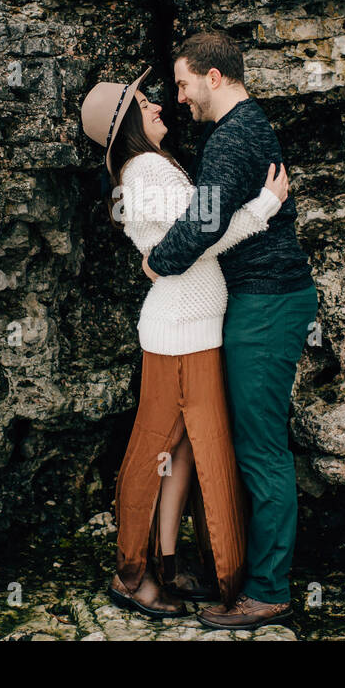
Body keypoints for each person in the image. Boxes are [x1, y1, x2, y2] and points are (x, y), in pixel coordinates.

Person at [80, 66, 290, 618]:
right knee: (157, 454)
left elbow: (188, 234)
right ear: (125, 120)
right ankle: (132, 574)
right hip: (178, 332)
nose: (157, 108)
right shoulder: (146, 168)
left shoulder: (150, 166)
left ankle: (168, 563)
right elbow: (199, 234)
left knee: (180, 453)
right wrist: (263, 209)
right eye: (145, 104)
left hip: (189, 328)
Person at [143, 32, 318, 630]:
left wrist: (157, 261)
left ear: (213, 77)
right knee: (254, 443)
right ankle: (244, 573)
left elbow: (202, 223)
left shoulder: (231, 137)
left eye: (185, 84)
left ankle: (269, 589)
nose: (180, 99)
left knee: (261, 448)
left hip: (268, 304)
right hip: (265, 300)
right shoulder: (245, 129)